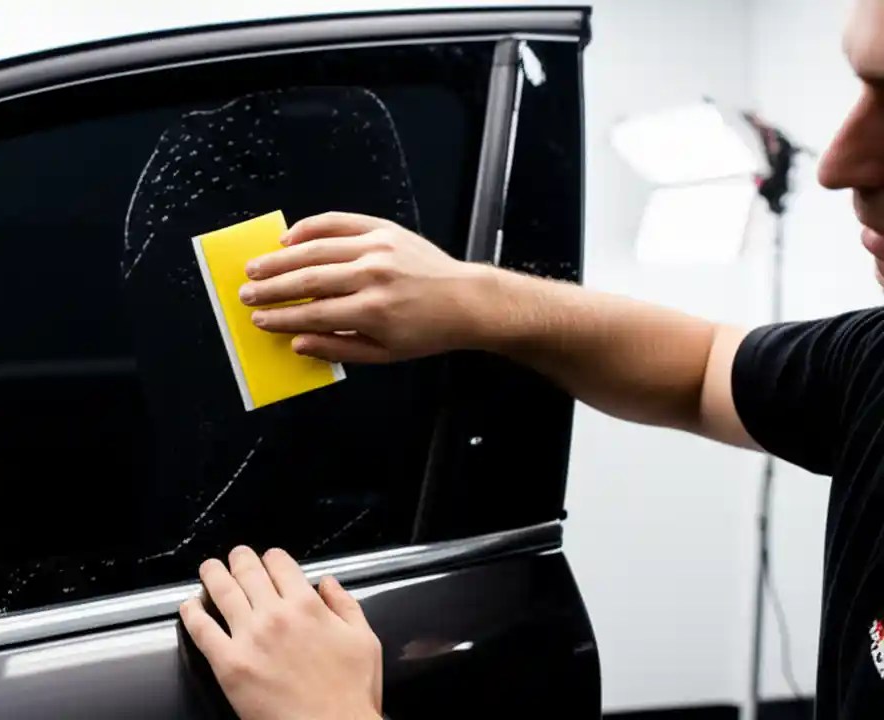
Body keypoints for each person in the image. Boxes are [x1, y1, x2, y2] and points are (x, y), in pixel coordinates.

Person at [180, 1, 884, 718]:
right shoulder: (875, 366)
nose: (838, 165)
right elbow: (702, 367)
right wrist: (468, 296)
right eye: (860, 88)